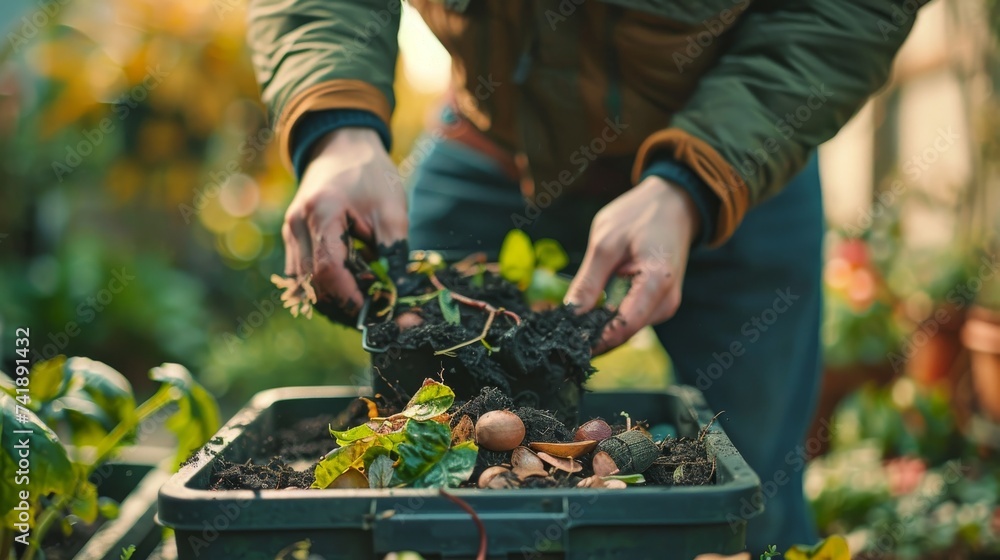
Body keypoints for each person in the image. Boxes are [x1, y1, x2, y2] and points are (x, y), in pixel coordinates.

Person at [247, 0, 921, 549]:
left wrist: (696, 179)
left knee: (753, 489)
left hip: (738, 151)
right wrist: (339, 128)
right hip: (492, 142)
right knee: (427, 459)